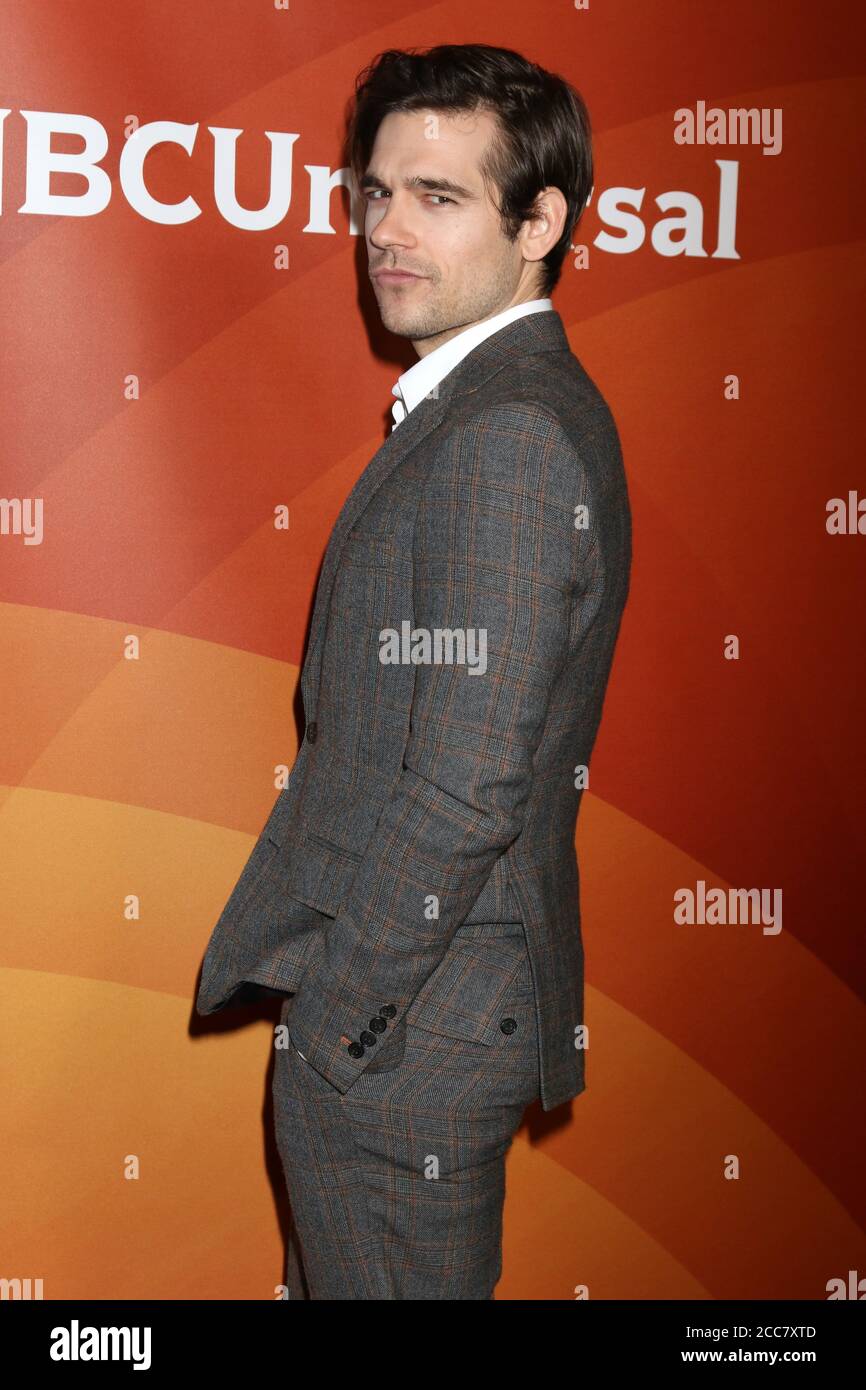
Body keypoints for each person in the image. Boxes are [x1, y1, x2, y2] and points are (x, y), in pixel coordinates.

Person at [196, 42, 631, 1300]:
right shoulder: (493, 403)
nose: (386, 229)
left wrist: (336, 1025)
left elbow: (465, 787)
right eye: (376, 193)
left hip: (408, 1042)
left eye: (437, 197)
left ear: (539, 220)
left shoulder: (507, 436)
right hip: (422, 1022)